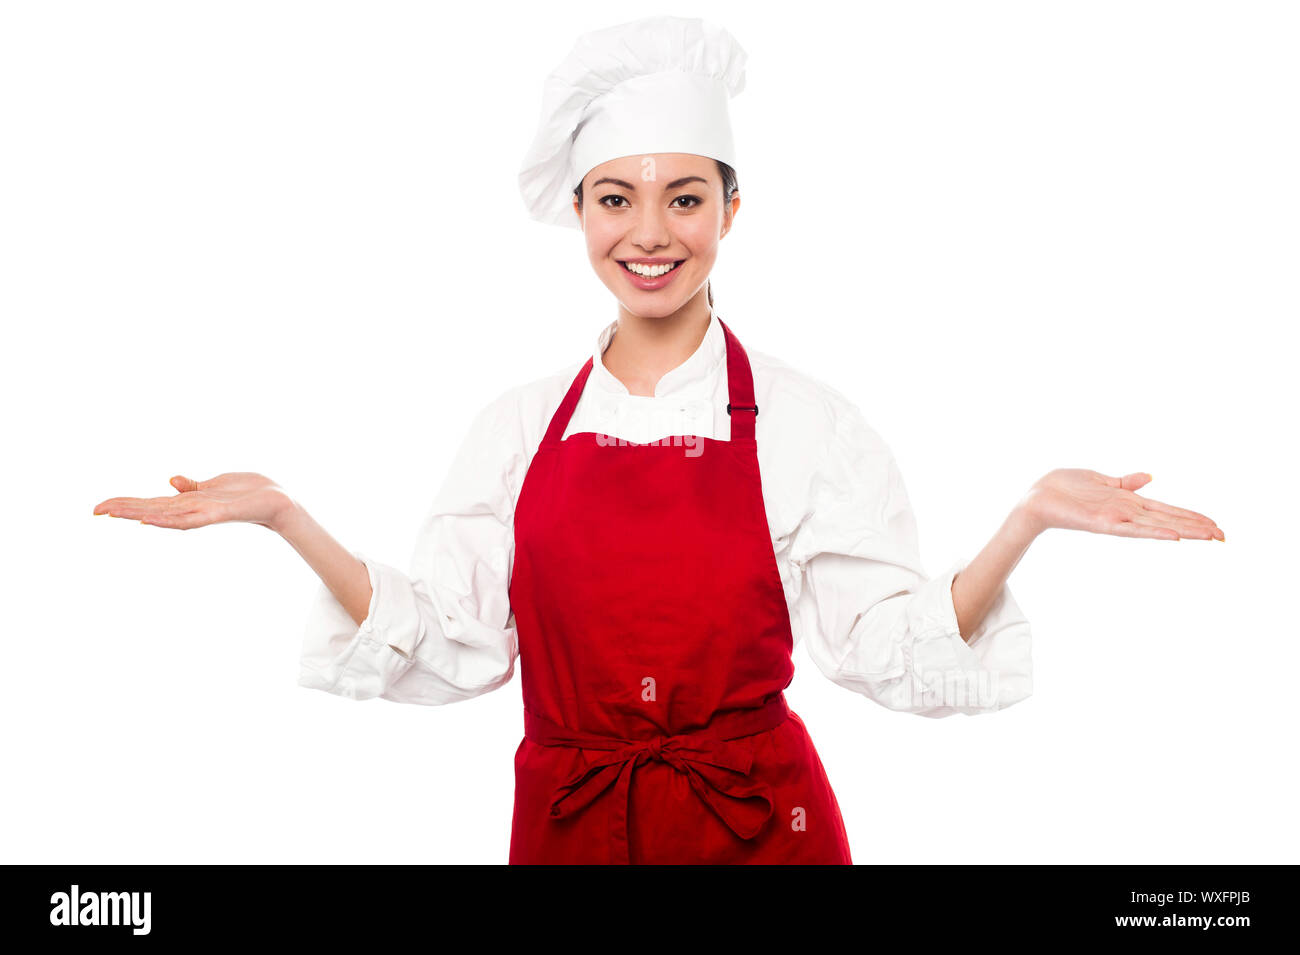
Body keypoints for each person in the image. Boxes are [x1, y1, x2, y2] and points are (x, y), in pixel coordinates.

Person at [93, 15, 1224, 865]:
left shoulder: (805, 419)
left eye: (684, 198)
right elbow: (452, 644)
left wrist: (1024, 521)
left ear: (732, 211)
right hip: (571, 824)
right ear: (577, 213)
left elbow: (884, 647)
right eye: (613, 199)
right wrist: (286, 516)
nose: (648, 233)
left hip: (760, 827)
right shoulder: (517, 427)